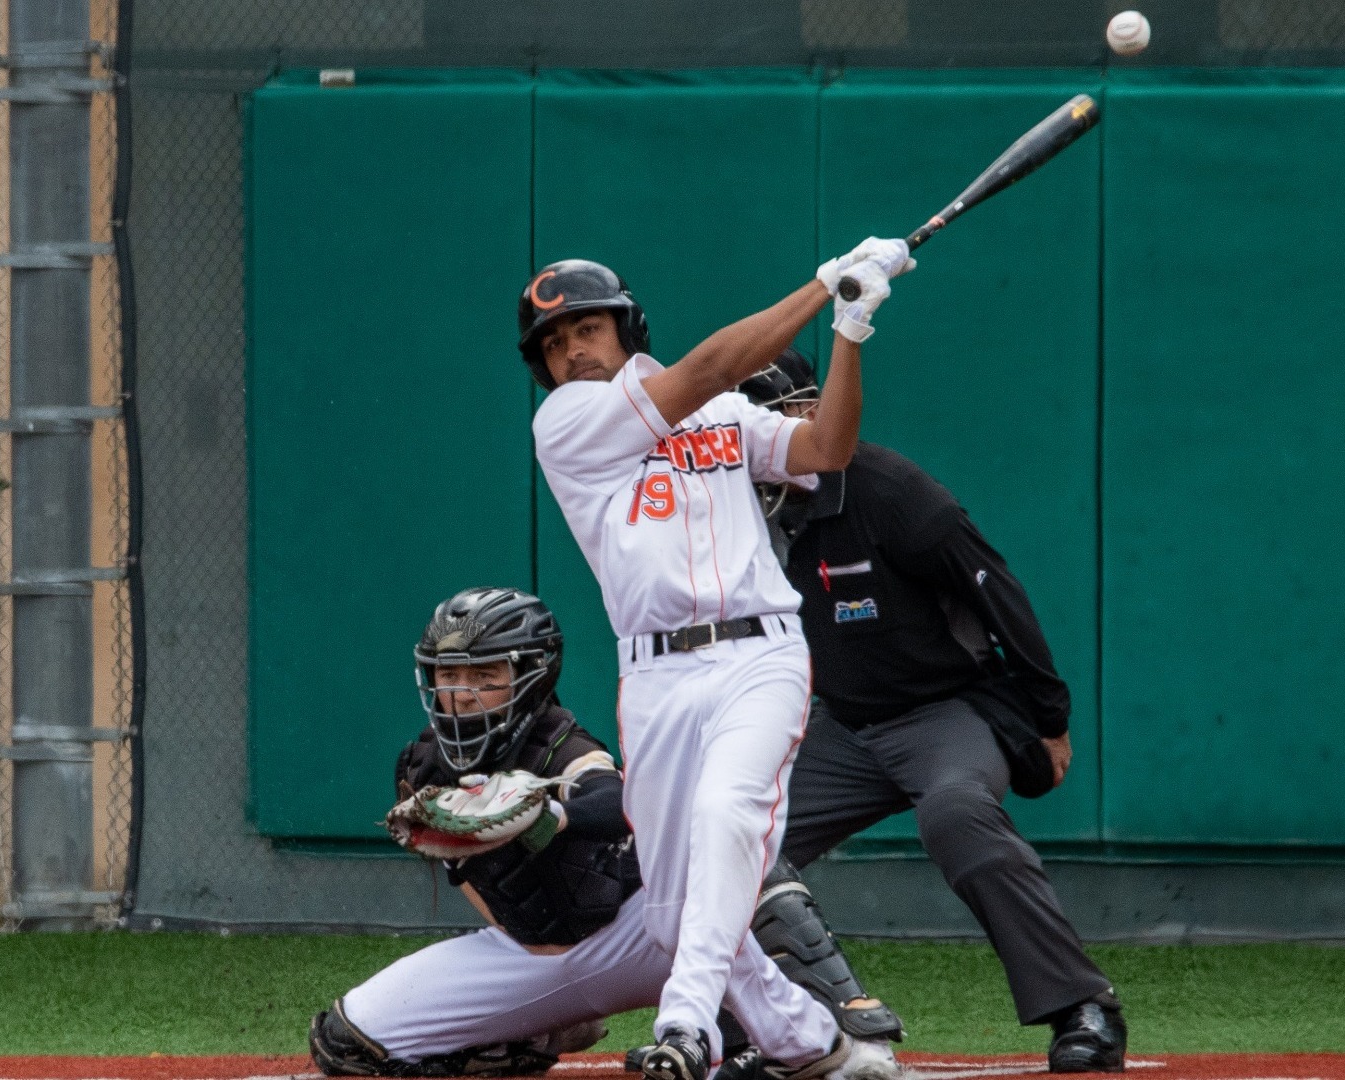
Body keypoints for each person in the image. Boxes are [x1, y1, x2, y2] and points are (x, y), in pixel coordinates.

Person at [524, 242, 913, 1080]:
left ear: (625, 328)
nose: (571, 352)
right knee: (671, 908)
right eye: (553, 345)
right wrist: (821, 282)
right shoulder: (565, 422)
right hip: (656, 676)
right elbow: (702, 368)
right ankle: (814, 1045)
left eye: (585, 329)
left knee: (727, 816)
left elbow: (824, 450)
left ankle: (688, 1026)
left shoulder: (721, 415)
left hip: (757, 655)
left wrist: (849, 328)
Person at [311, 588, 903, 1080]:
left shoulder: (559, 742)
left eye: (484, 674)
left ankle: (837, 1027)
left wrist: (549, 814)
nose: (461, 692)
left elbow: (618, 797)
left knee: (739, 871)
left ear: (531, 675)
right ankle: (536, 1039)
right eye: (448, 675)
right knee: (347, 1043)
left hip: (642, 932)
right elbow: (490, 901)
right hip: (531, 957)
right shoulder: (421, 771)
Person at [739, 350, 1128, 1074]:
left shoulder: (886, 487)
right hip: (837, 724)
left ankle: (1082, 1007)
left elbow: (995, 590)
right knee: (727, 838)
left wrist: (1048, 715)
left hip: (941, 713)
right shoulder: (724, 512)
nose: (759, 436)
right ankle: (745, 1031)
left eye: (776, 415)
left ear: (810, 412)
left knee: (954, 812)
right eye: (741, 422)